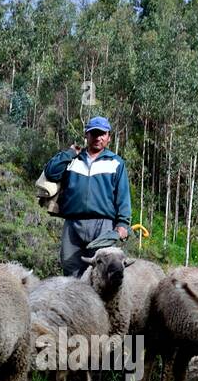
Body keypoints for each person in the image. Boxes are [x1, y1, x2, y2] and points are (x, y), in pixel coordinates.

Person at [43, 116, 132, 276]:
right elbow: (51, 172)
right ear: (86, 135)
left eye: (102, 134)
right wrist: (70, 152)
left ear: (109, 137)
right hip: (73, 225)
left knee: (102, 273)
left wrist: (123, 224)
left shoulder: (116, 163)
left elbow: (123, 196)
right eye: (94, 133)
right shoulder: (73, 159)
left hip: (104, 225)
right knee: (71, 271)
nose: (98, 137)